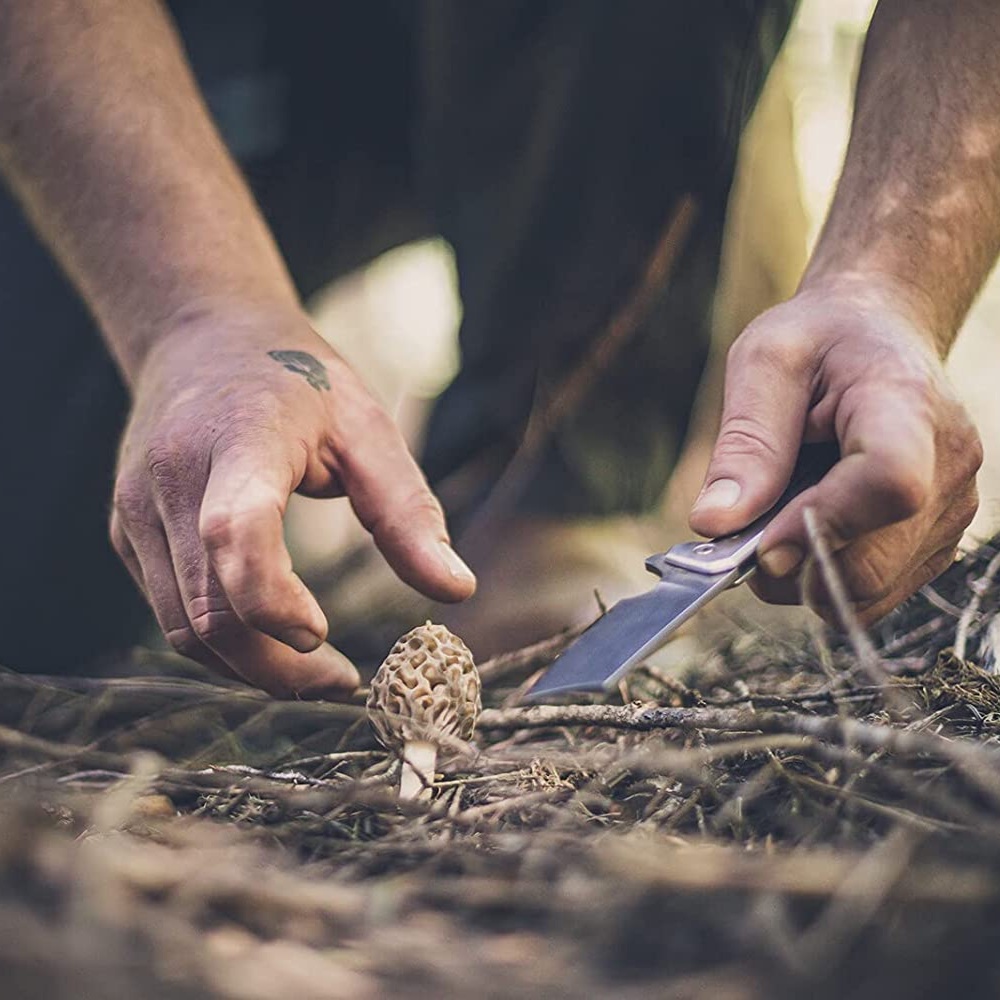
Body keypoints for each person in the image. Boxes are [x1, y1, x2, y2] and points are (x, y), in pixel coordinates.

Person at [0, 1, 989, 696]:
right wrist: (192, 316)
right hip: (142, 71)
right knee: (33, 603)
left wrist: (890, 284)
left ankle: (546, 492)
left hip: (560, 49)